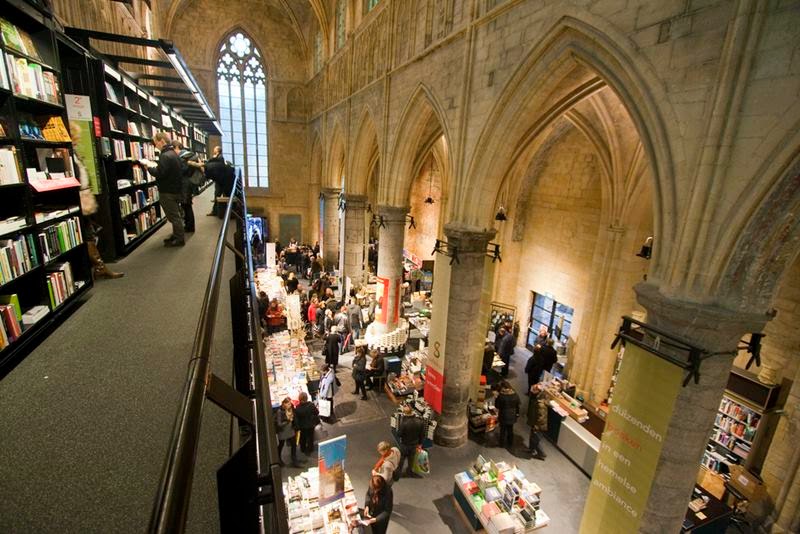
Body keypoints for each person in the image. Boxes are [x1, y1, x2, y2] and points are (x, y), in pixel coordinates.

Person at [145, 132, 184, 246]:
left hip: (168, 191)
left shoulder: (165, 155)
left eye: (155, 143)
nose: (155, 145)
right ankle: (176, 235)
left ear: (162, 141)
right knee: (176, 214)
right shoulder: (173, 154)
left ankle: (179, 239)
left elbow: (160, 173)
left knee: (174, 216)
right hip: (175, 189)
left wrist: (149, 168)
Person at [396, 404, 425, 479]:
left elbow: (399, 434)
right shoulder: (420, 421)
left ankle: (398, 474)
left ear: (404, 413)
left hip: (405, 445)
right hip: (414, 444)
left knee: (401, 460)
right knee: (411, 459)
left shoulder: (404, 423)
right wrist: (420, 444)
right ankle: (410, 472)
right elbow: (422, 434)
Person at [495, 380, 520, 449]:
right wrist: (517, 413)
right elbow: (518, 405)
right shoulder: (515, 394)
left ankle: (501, 444)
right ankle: (510, 443)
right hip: (512, 415)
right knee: (510, 429)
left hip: (504, 415)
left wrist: (496, 398)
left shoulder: (501, 396)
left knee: (502, 430)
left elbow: (497, 406)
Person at [203, 145, 227, 216]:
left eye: (215, 149)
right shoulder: (218, 157)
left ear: (218, 150)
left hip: (220, 180)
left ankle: (215, 211)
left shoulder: (220, 157)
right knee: (217, 194)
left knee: (217, 194)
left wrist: (212, 159)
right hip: (219, 179)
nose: (213, 150)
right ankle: (216, 210)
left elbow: (214, 164)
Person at [276, 397, 299, 466]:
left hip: (290, 429)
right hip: (283, 431)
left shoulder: (290, 408)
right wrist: (287, 421)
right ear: (284, 404)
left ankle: (294, 460)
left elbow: (293, 416)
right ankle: (278, 459)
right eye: (288, 404)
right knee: (281, 445)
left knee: (294, 445)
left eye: (290, 404)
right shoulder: (280, 411)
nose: (290, 405)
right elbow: (279, 424)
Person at [527, 383, 548, 460]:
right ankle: (531, 449)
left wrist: (537, 426)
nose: (532, 391)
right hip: (534, 422)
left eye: (533, 390)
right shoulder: (536, 398)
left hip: (538, 425)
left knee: (535, 439)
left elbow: (541, 417)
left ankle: (542, 453)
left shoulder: (540, 404)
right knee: (532, 437)